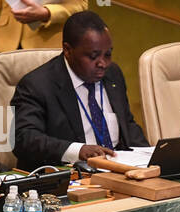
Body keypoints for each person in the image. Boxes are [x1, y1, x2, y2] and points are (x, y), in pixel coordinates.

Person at [8, 11, 147, 170]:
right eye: (93, 56)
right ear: (67, 50)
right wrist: (78, 150)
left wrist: (150, 157)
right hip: (71, 175)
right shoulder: (36, 85)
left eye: (108, 54)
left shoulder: (113, 74)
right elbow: (24, 139)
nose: (103, 63)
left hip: (119, 170)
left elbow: (127, 123)